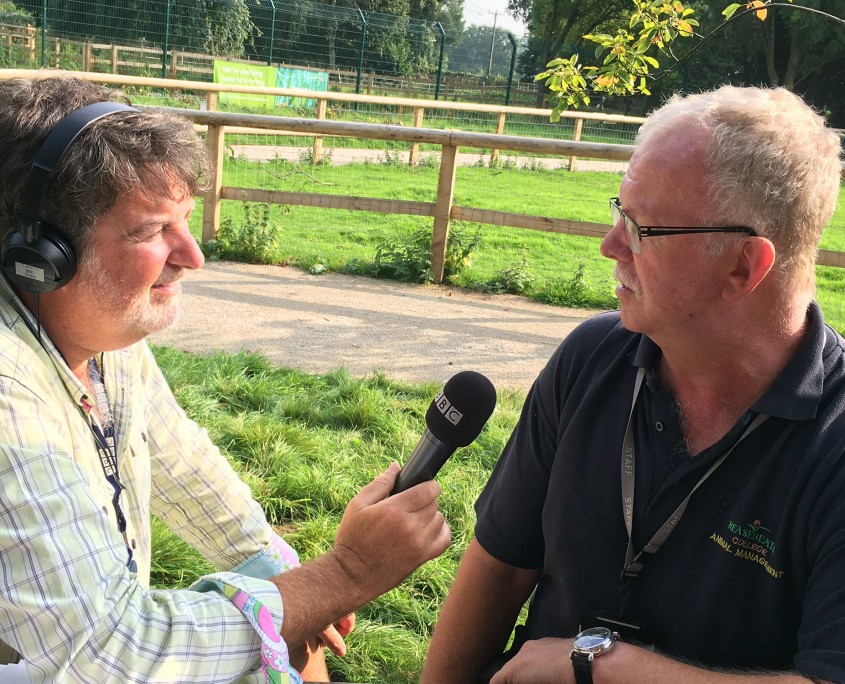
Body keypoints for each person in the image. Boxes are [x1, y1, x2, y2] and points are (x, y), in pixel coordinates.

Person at [0, 75, 450, 683]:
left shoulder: (99, 336)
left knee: (287, 638)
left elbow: (182, 463)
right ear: (40, 255)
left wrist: (284, 577)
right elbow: (112, 651)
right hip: (61, 661)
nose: (193, 255)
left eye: (185, 220)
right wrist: (346, 573)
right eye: (152, 230)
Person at [422, 85, 845, 684]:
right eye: (619, 211)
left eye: (642, 228)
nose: (610, 245)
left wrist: (599, 665)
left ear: (743, 266)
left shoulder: (834, 441)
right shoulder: (591, 358)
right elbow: (500, 564)